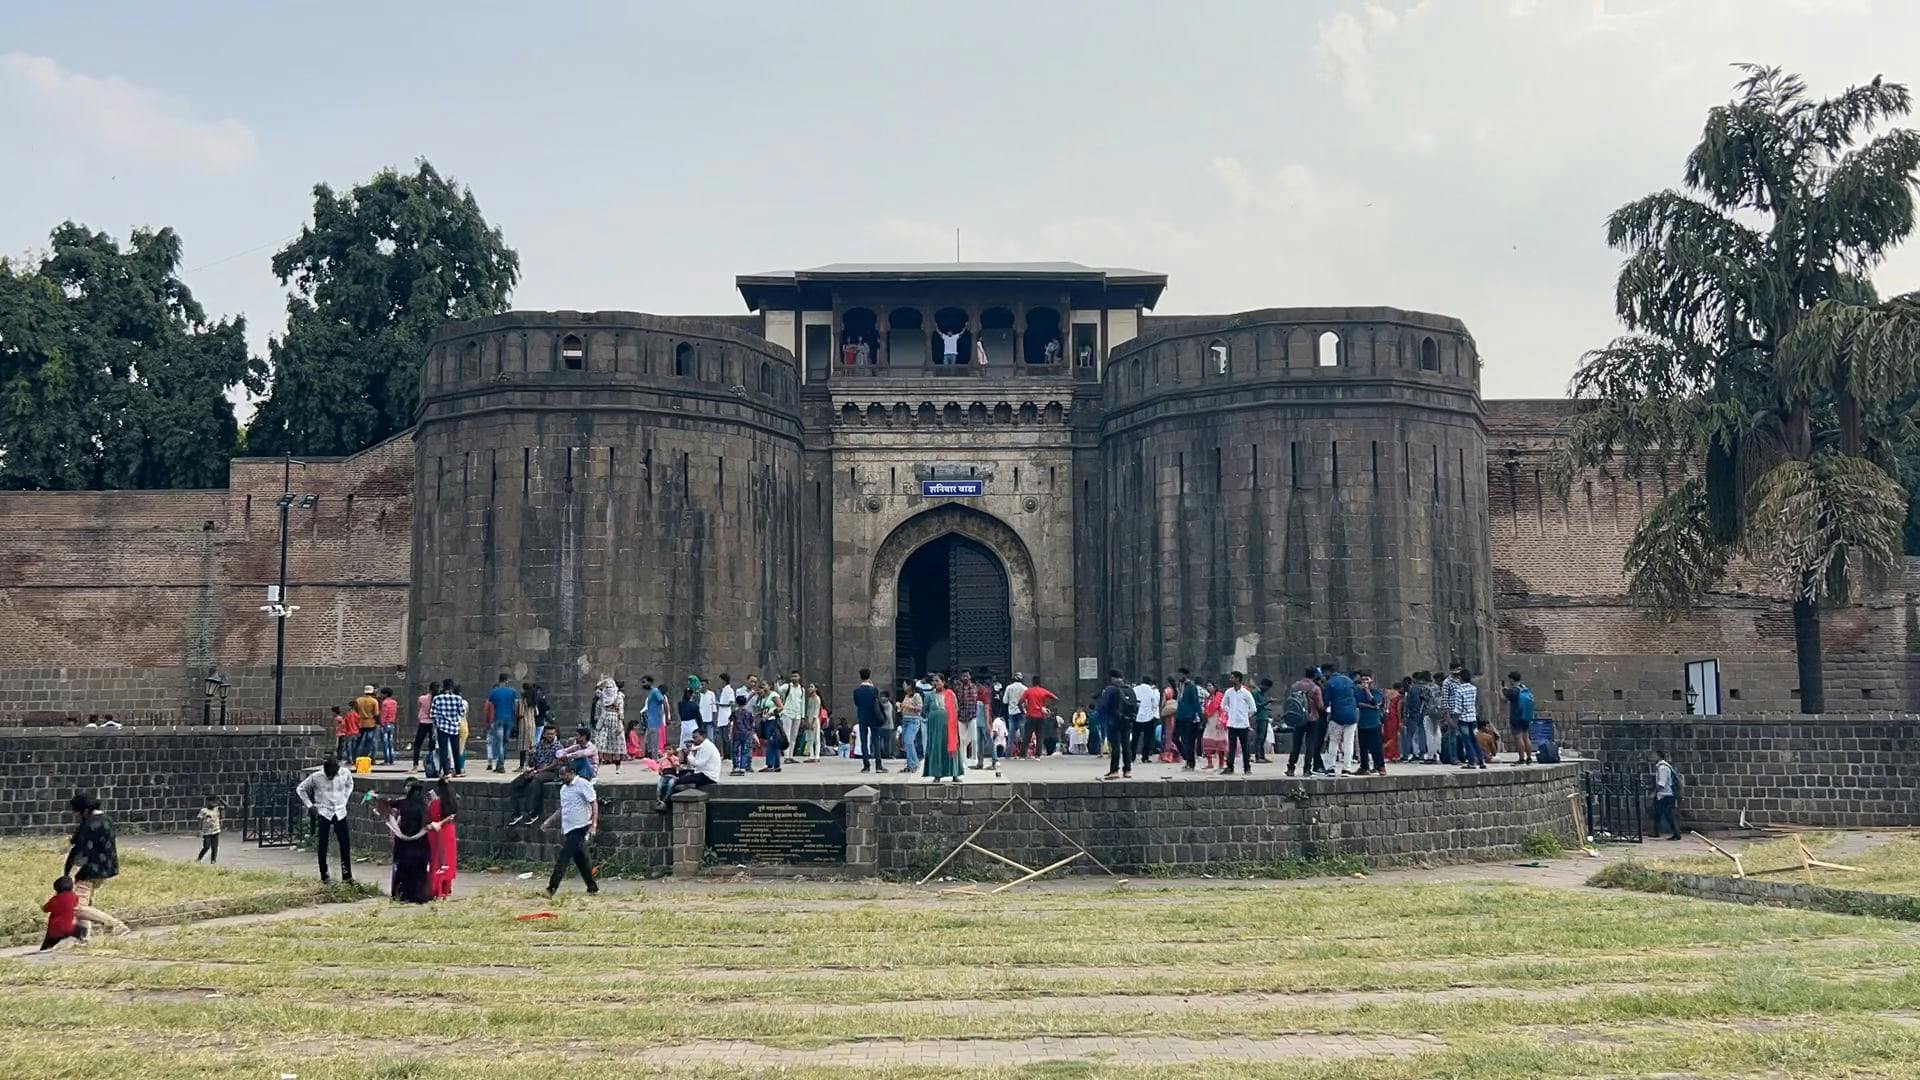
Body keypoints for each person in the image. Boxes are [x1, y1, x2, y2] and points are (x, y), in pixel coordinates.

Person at [63, 793, 128, 935]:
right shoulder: (107, 820)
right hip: (103, 869)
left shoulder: (90, 824)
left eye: (77, 811)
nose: (75, 814)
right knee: (84, 905)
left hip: (87, 871)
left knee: (77, 907)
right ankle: (82, 938)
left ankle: (115, 924)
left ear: (85, 810)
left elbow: (84, 852)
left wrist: (71, 875)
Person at [296, 756, 356, 885]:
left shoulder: (345, 773)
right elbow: (301, 789)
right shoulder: (316, 777)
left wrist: (344, 798)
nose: (330, 778)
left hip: (340, 811)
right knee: (323, 844)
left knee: (345, 844)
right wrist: (310, 805)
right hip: (324, 811)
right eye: (328, 775)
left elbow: (350, 784)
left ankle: (347, 875)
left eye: (332, 775)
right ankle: (324, 874)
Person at [543, 760, 600, 896]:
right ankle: (592, 887)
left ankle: (552, 888)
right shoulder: (564, 789)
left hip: (580, 827)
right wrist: (549, 821)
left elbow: (594, 803)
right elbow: (563, 809)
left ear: (572, 773)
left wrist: (593, 824)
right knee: (581, 860)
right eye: (560, 775)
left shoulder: (583, 785)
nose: (562, 777)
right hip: (569, 828)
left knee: (564, 857)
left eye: (564, 775)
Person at [381, 781, 433, 903]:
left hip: (404, 841)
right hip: (419, 842)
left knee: (403, 868)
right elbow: (427, 822)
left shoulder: (403, 803)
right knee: (419, 870)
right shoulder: (423, 806)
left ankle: (402, 894)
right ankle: (419, 894)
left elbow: (388, 803)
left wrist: (375, 797)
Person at [655, 728, 724, 811]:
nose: (694, 740)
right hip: (701, 771)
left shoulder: (707, 748)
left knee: (677, 781)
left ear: (702, 736)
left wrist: (689, 754)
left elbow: (697, 763)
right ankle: (664, 797)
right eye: (693, 737)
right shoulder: (704, 745)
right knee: (677, 774)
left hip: (707, 776)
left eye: (696, 737)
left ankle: (665, 802)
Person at [507, 726, 564, 825]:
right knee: (516, 783)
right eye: (548, 734)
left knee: (535, 782)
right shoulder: (538, 745)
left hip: (550, 772)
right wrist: (529, 762)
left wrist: (537, 771)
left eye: (552, 734)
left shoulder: (558, 747)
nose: (550, 736)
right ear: (544, 734)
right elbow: (532, 761)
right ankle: (516, 813)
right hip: (536, 770)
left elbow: (554, 764)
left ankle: (533, 812)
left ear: (556, 734)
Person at [1284, 668, 1327, 777]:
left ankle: (1291, 768)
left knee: (1296, 744)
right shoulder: (1315, 688)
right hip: (1312, 719)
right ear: (1314, 676)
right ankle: (1307, 769)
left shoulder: (1295, 686)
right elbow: (1320, 706)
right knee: (1310, 744)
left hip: (1298, 718)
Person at [921, 675, 964, 782]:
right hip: (935, 729)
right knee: (937, 748)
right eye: (934, 681)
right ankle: (937, 775)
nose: (935, 683)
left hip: (949, 727)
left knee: (951, 748)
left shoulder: (950, 694)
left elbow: (956, 709)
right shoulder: (929, 696)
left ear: (943, 682)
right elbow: (924, 711)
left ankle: (954, 774)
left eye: (938, 681)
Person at [427, 776, 459, 899]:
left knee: (437, 860)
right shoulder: (453, 802)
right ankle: (446, 889)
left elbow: (430, 816)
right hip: (449, 832)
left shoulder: (435, 803)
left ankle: (436, 889)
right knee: (448, 860)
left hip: (437, 833)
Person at [1323, 667, 1359, 774]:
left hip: (1337, 715)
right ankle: (1347, 768)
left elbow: (1326, 701)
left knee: (1334, 741)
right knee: (1349, 742)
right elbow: (1355, 695)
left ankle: (1331, 767)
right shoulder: (1349, 681)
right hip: (1352, 715)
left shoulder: (1330, 683)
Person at [1452, 666, 1487, 770]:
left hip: (1463, 718)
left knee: (1467, 741)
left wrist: (1454, 718)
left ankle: (1471, 762)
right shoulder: (1473, 688)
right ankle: (1481, 761)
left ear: (1461, 678)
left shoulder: (1459, 690)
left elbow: (1458, 707)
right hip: (1472, 717)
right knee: (1474, 740)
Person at [852, 669, 886, 773]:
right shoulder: (874, 690)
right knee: (875, 740)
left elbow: (857, 703)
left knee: (864, 741)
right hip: (873, 717)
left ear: (860, 677)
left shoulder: (856, 691)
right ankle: (878, 765)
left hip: (862, 717)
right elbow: (877, 702)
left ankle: (866, 766)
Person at [430, 679, 466, 778]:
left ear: (443, 686)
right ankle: (458, 771)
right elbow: (462, 712)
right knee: (456, 749)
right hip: (454, 727)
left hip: (442, 727)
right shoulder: (458, 698)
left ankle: (446, 772)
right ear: (452, 687)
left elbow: (432, 714)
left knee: (444, 750)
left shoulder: (437, 699)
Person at [1221, 671, 1256, 774]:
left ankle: (1247, 767)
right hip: (1232, 723)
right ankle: (1230, 766)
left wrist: (1245, 714)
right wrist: (1231, 711)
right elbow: (1223, 705)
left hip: (1243, 724)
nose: (1231, 680)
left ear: (1238, 679)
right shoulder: (1229, 692)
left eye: (1233, 678)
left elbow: (1253, 708)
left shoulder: (1246, 693)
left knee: (1245, 747)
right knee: (1231, 746)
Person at [1353, 671, 1386, 775]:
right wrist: (1369, 706)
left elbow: (1375, 702)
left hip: (1374, 722)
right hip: (1362, 722)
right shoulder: (1358, 692)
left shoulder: (1377, 692)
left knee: (1376, 746)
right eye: (1363, 680)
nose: (1364, 682)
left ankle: (1380, 766)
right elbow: (1357, 703)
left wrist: (1367, 691)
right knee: (1363, 747)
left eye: (1367, 679)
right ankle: (1364, 767)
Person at [484, 674, 518, 773]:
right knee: (505, 742)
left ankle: (500, 764)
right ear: (506, 681)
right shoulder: (512, 691)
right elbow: (515, 705)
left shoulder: (494, 692)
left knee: (499, 742)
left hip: (498, 718)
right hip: (509, 719)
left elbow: (490, 705)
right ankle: (500, 763)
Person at [40, 877, 85, 951]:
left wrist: (44, 902)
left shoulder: (56, 899)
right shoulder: (74, 897)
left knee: (46, 947)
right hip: (70, 927)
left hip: (55, 929)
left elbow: (45, 909)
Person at [593, 676, 627, 768]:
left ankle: (615, 759)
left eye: (611, 687)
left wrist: (620, 724)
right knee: (602, 740)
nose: (609, 689)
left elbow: (621, 712)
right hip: (603, 720)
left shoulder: (618, 697)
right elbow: (598, 711)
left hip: (615, 720)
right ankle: (602, 758)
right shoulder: (601, 698)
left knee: (615, 739)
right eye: (607, 687)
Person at [1173, 669, 1204, 770]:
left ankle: (1190, 762)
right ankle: (1186, 756)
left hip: (1189, 717)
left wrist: (1199, 716)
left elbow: (1195, 702)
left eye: (1180, 674)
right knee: (1175, 737)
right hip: (1180, 716)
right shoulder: (1180, 686)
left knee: (1188, 740)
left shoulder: (1191, 687)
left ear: (1185, 675)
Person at [1504, 671, 1536, 765]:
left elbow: (1503, 699)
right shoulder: (1524, 688)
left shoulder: (1513, 690)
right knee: (1526, 737)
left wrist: (1502, 690)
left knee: (1518, 737)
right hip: (1526, 716)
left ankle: (1521, 758)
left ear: (1512, 679)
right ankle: (1529, 758)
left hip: (1516, 716)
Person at [1652, 750, 1682, 840]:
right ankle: (1656, 831)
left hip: (1665, 794)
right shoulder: (1662, 766)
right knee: (1658, 813)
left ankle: (1676, 833)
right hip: (1664, 794)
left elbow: (1662, 783)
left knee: (1668, 815)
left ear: (1658, 756)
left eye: (1654, 755)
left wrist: (1655, 792)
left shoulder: (1663, 768)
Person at [897, 679, 925, 773]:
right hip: (905, 720)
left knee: (909, 741)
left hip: (913, 720)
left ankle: (914, 763)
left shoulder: (916, 696)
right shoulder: (906, 696)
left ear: (909, 686)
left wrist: (909, 707)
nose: (903, 687)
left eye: (905, 685)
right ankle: (909, 765)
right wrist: (900, 706)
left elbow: (920, 708)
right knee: (906, 743)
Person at [1132, 675, 1160, 763]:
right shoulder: (1152, 691)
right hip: (1149, 717)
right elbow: (1155, 704)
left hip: (1137, 717)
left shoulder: (1135, 689)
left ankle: (1132, 756)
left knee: (1135, 738)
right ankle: (1145, 757)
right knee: (1147, 739)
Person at [1001, 672, 1029, 756]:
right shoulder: (1025, 688)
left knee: (1011, 734)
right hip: (1021, 712)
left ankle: (1008, 753)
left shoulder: (1009, 688)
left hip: (1012, 712)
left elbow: (1004, 701)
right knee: (1023, 733)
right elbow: (1027, 702)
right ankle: (1024, 753)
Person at [411, 686, 436, 774]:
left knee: (418, 744)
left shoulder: (422, 698)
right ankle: (433, 765)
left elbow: (419, 707)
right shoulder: (437, 699)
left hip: (423, 722)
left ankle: (415, 766)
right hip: (433, 723)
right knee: (432, 746)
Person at [352, 685, 380, 761]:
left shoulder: (358, 700)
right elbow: (376, 713)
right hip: (371, 723)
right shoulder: (374, 701)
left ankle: (355, 758)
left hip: (360, 722)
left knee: (358, 741)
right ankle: (367, 757)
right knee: (369, 741)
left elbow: (355, 711)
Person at [1251, 677, 1274, 764]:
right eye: (1267, 688)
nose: (1267, 690)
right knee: (1259, 738)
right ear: (1263, 685)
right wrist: (1266, 702)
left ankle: (1262, 756)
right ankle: (1258, 756)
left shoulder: (1262, 693)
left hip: (1264, 716)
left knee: (1263, 738)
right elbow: (1255, 705)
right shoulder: (1255, 693)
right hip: (1259, 717)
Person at [196, 793, 222, 863]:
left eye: (213, 802)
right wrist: (199, 830)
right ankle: (199, 858)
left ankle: (213, 860)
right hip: (207, 832)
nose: (211, 804)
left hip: (216, 831)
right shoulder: (203, 810)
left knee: (214, 847)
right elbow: (200, 820)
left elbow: (227, 807)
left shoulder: (217, 809)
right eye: (209, 802)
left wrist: (221, 800)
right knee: (206, 846)